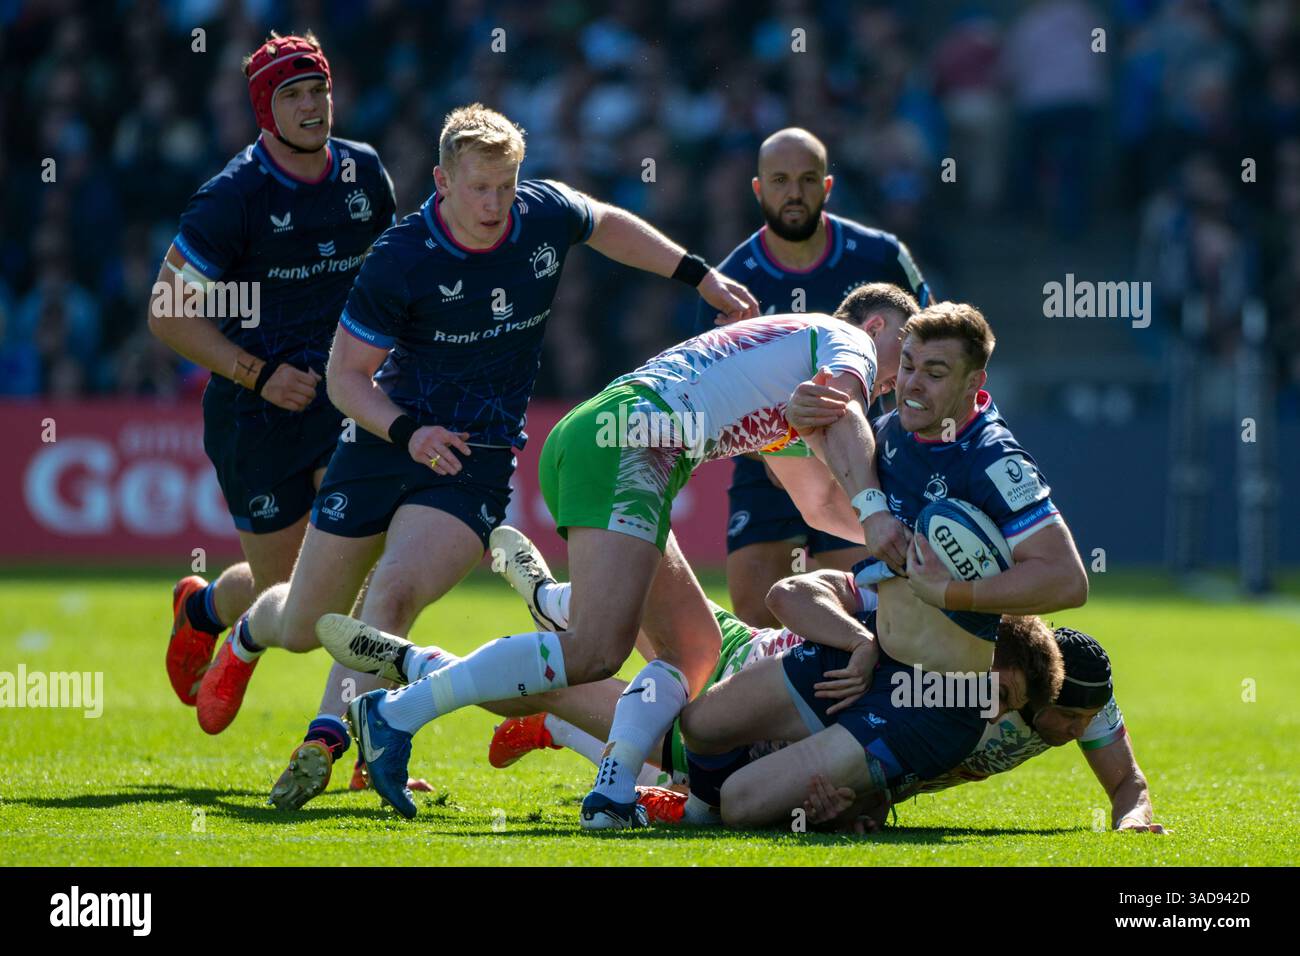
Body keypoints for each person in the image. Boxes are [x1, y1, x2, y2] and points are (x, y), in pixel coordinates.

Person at [195, 102, 759, 812]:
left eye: (506, 185)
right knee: (306, 626)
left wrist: (699, 277)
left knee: (394, 594)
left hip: (475, 456)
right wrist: (408, 434)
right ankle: (246, 633)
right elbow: (345, 379)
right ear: (441, 181)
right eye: (479, 188)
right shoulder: (402, 257)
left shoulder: (542, 214)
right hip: (383, 443)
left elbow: (608, 223)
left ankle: (335, 738)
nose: (496, 203)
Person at [319, 285, 919, 826]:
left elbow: (817, 504)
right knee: (596, 650)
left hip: (621, 437)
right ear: (873, 329)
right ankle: (396, 714)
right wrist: (880, 511)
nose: (896, 383)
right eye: (903, 360)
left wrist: (900, 544)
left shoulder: (795, 361)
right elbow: (846, 412)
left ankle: (610, 792)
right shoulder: (846, 345)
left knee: (695, 650)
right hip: (633, 442)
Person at [674, 301, 1090, 828]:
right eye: (909, 365)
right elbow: (829, 494)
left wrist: (953, 594)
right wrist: (797, 423)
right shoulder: (894, 431)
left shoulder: (995, 461)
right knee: (701, 726)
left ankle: (821, 806)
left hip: (937, 698)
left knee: (743, 803)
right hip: (871, 651)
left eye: (935, 373)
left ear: (974, 382)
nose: (912, 383)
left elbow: (1067, 580)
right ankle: (755, 803)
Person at [149, 33, 395, 737]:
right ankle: (203, 612)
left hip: (343, 403)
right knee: (297, 599)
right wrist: (258, 375)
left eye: (318, 89)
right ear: (266, 110)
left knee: (366, 581)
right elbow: (166, 312)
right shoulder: (233, 198)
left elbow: (390, 280)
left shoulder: (365, 175)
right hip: (253, 418)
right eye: (293, 95)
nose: (313, 106)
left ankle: (362, 746)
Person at [699, 128, 931, 628]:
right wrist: (771, 452)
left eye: (807, 180)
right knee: (757, 621)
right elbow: (716, 386)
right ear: (759, 189)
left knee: (871, 614)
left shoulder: (882, 256)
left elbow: (933, 340)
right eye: (780, 180)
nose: (794, 193)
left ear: (827, 187)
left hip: (857, 461)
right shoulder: (730, 279)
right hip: (766, 467)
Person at [803, 626, 1163, 834]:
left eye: (1090, 717)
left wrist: (1131, 822)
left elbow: (1127, 783)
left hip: (888, 777)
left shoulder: (1089, 707)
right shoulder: (977, 692)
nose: (1081, 729)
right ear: (1037, 696)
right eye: (1069, 715)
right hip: (821, 727)